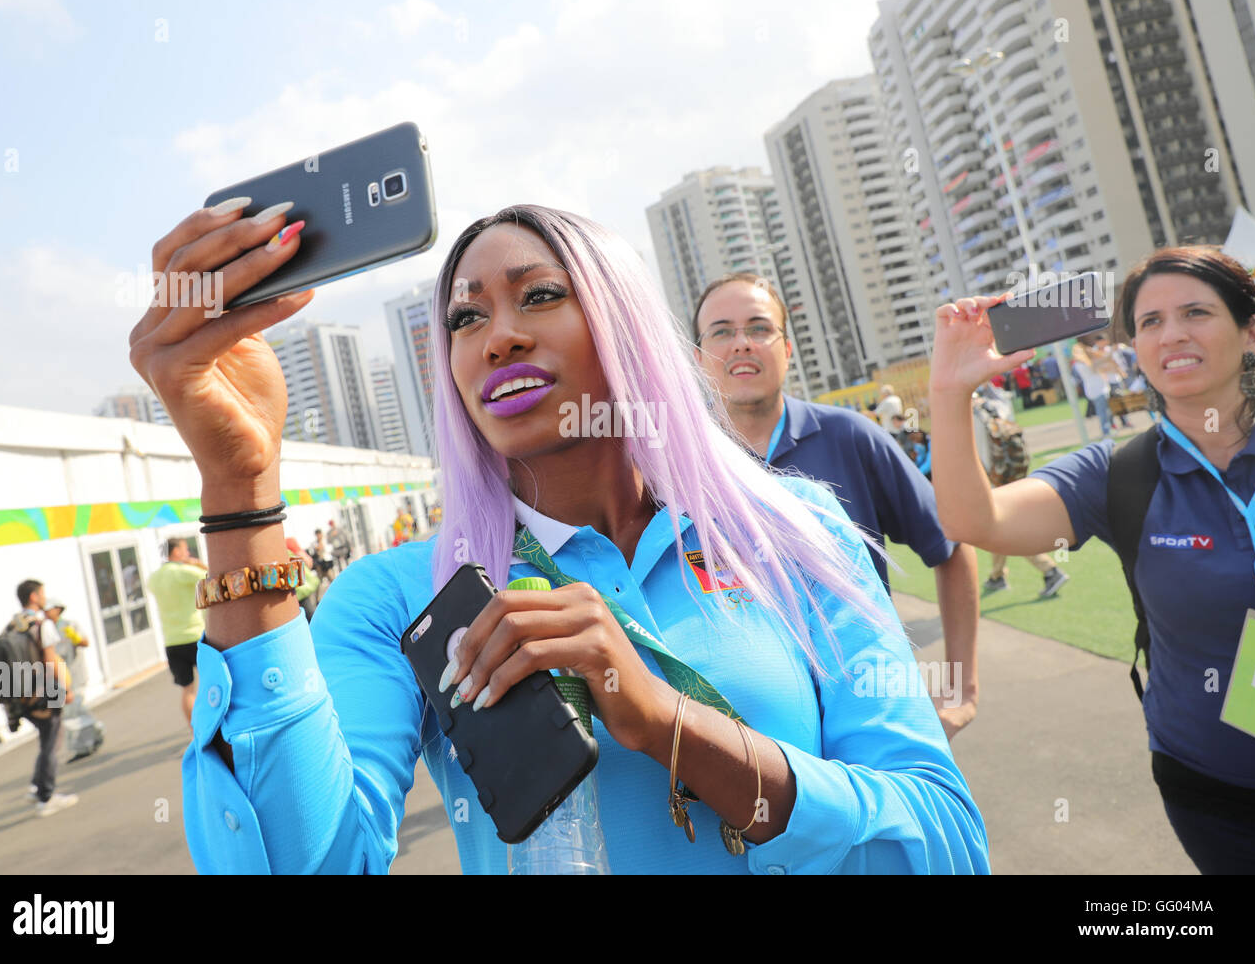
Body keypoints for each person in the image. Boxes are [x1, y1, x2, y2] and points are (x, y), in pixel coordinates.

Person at [130, 199, 988, 874]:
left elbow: (941, 844)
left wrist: (663, 720)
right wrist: (240, 491)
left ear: (629, 329)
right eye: (465, 320)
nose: (498, 335)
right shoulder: (402, 597)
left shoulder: (793, 533)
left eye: (540, 295)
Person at [928, 245, 1255, 873]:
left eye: (1196, 312)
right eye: (1151, 322)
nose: (1173, 335)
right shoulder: (1118, 474)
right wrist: (950, 391)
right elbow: (975, 521)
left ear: (1253, 332)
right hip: (1215, 798)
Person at [692, 272, 980, 738]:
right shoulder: (678, 469)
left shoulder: (851, 436)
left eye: (760, 328)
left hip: (872, 718)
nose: (741, 343)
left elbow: (948, 545)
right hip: (749, 737)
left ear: (787, 349)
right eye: (721, 331)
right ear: (698, 357)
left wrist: (961, 691)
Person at [970, 387, 1069, 599]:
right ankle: (997, 576)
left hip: (992, 479)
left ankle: (1050, 570)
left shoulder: (970, 416)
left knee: (1004, 532)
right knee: (995, 530)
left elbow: (975, 453)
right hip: (1011, 472)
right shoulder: (996, 405)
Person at [13, 580, 78, 816]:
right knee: (52, 740)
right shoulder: (42, 626)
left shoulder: (13, 625)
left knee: (46, 738)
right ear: (33, 596)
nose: (45, 597)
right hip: (44, 690)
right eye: (42, 594)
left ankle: (36, 787)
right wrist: (64, 690)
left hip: (20, 691)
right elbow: (50, 660)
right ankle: (46, 798)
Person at [146, 538, 208, 728]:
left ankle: (195, 731)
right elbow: (211, 575)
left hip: (172, 640)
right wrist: (196, 563)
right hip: (195, 635)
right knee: (209, 683)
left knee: (187, 690)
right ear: (175, 553)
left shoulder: (154, 578)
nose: (188, 553)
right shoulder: (184, 572)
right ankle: (213, 727)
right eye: (185, 549)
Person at [44, 598, 105, 760]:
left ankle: (83, 746)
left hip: (74, 673)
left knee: (75, 709)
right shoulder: (45, 630)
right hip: (58, 677)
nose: (46, 612)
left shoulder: (70, 625)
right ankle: (95, 733)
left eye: (49, 609)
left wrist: (75, 638)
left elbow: (85, 642)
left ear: (58, 609)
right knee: (74, 711)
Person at [284, 538, 321, 621]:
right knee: (312, 616)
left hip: (287, 595)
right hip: (302, 589)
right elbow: (308, 562)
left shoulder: (280, 545)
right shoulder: (289, 542)